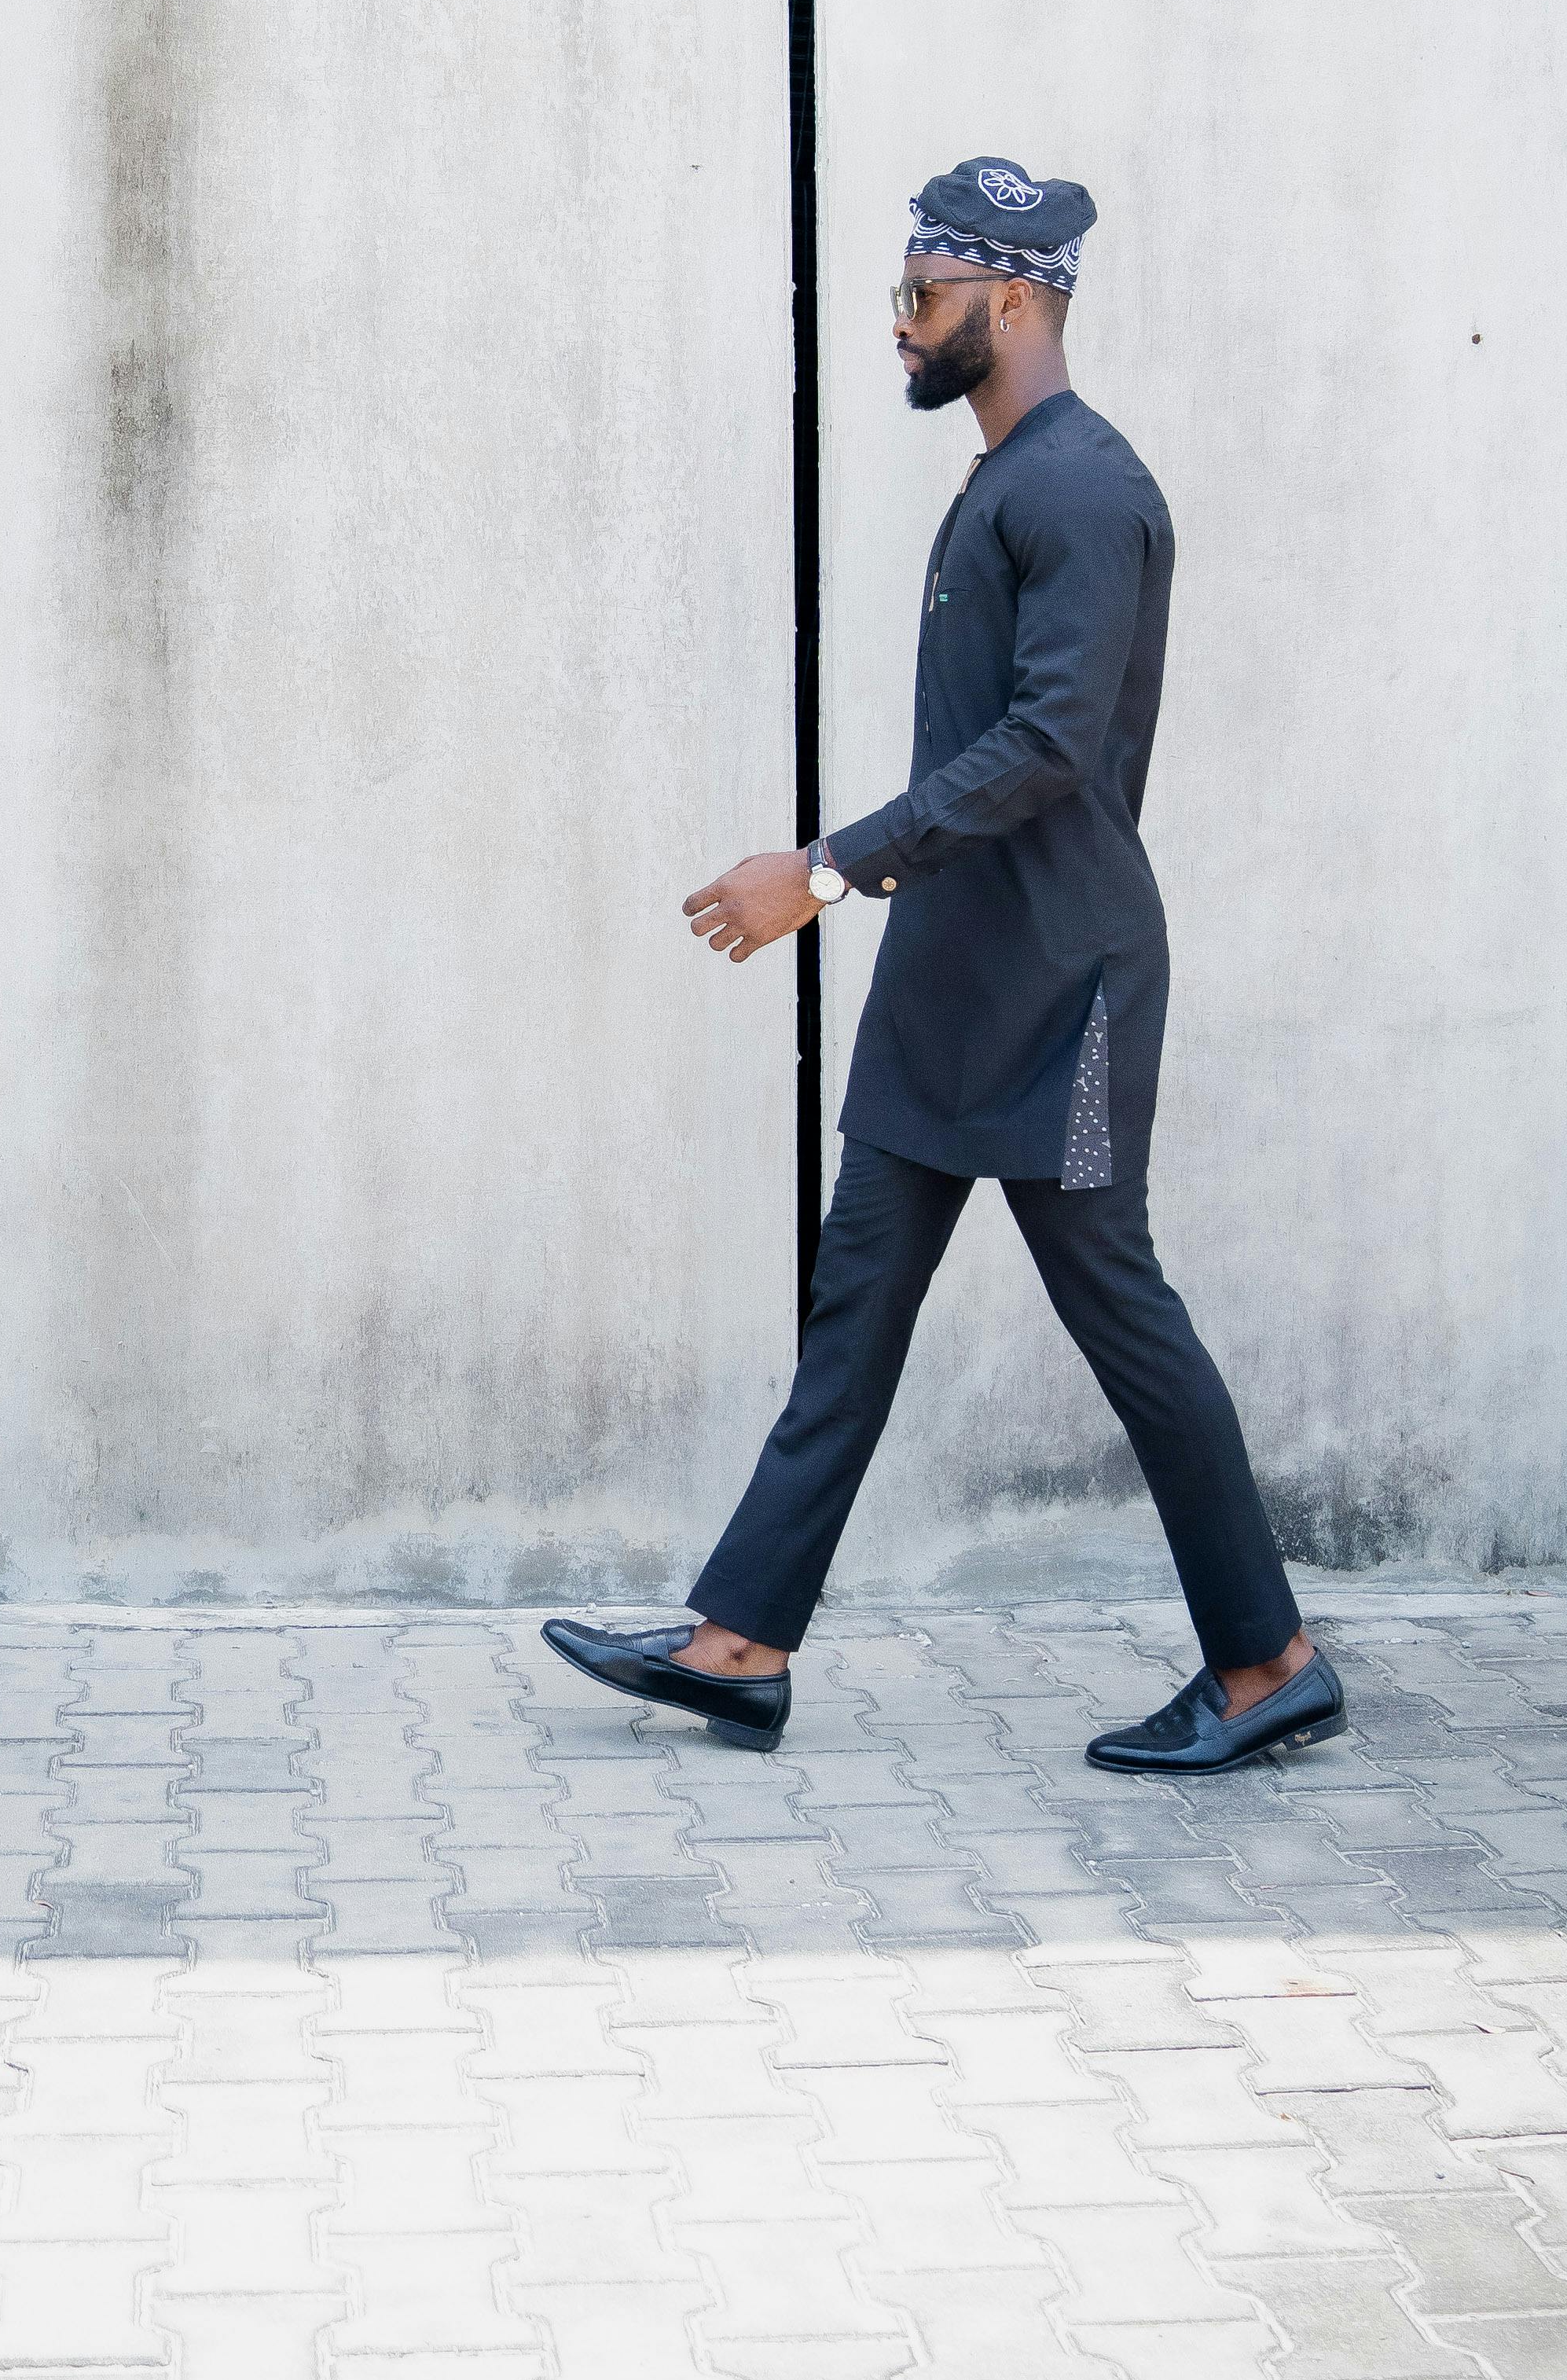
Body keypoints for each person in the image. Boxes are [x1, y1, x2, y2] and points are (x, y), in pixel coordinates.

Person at [542, 157, 1342, 1776]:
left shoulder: (1081, 490)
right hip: (950, 981)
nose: (900, 325)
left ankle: (1265, 1664)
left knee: (1119, 1312)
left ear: (1017, 300)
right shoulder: (1004, 482)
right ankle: (741, 1646)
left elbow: (1048, 745)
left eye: (924, 297)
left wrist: (821, 871)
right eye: (899, 295)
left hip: (1067, 991)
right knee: (854, 1313)